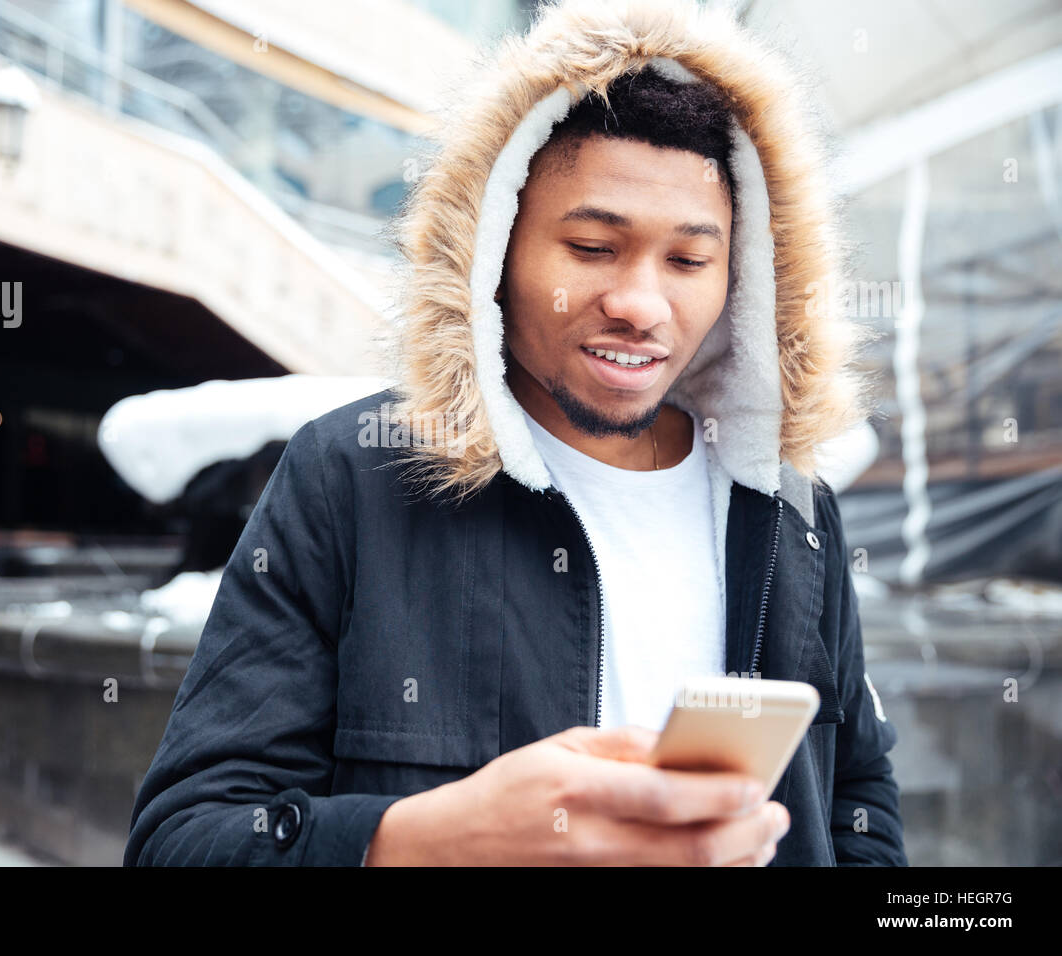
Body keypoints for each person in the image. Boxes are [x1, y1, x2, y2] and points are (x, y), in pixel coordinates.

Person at [124, 0, 906, 867]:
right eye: (592, 247)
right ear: (493, 251)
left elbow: (859, 802)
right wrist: (424, 842)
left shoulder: (792, 511)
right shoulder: (348, 478)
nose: (642, 305)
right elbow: (182, 841)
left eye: (688, 261)